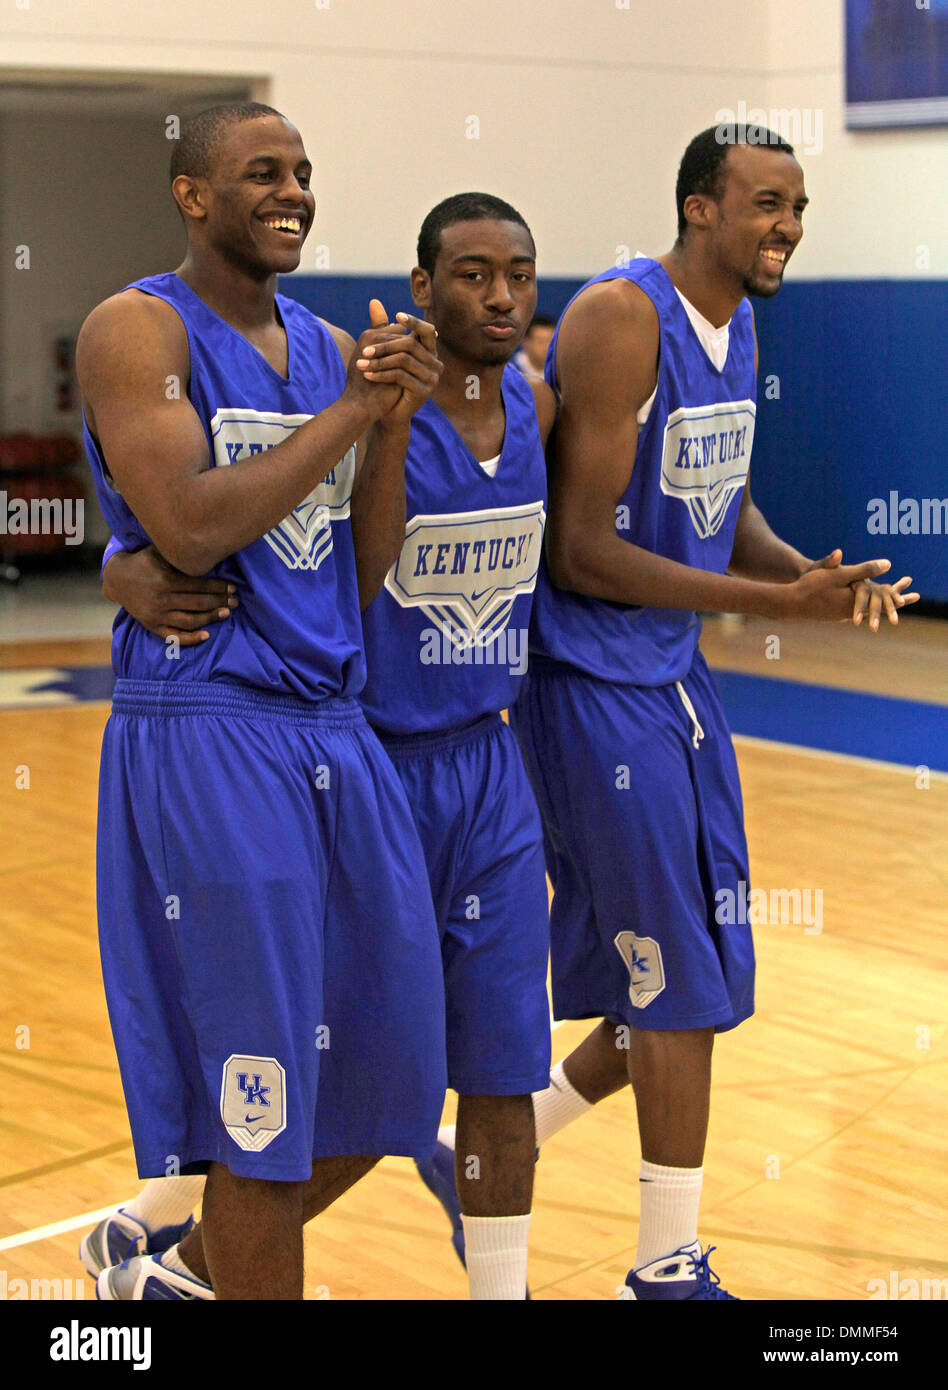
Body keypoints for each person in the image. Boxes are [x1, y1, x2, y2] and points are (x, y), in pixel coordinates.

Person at [85, 193, 557, 1301]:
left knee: (421, 1070)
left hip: (463, 756)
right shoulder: (256, 359)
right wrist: (121, 562)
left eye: (520, 275)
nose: (499, 295)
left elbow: (557, 556)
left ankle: (185, 1270)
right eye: (473, 273)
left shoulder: (526, 403)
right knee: (276, 1081)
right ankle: (173, 1238)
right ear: (423, 283)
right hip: (323, 745)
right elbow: (207, 527)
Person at [509, 124, 918, 1301]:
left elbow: (714, 494)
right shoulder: (619, 319)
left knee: (700, 977)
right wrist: (766, 600)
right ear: (701, 208)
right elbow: (582, 553)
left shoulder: (741, 321)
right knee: (673, 983)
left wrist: (804, 573)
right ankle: (664, 1265)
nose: (787, 225)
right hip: (590, 682)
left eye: (797, 207)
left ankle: (507, 1135)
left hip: (674, 681)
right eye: (766, 204)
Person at [512, 313, 555, 383]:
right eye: (541, 341)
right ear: (525, 342)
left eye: (551, 342)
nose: (547, 347)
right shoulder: (508, 373)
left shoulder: (558, 374)